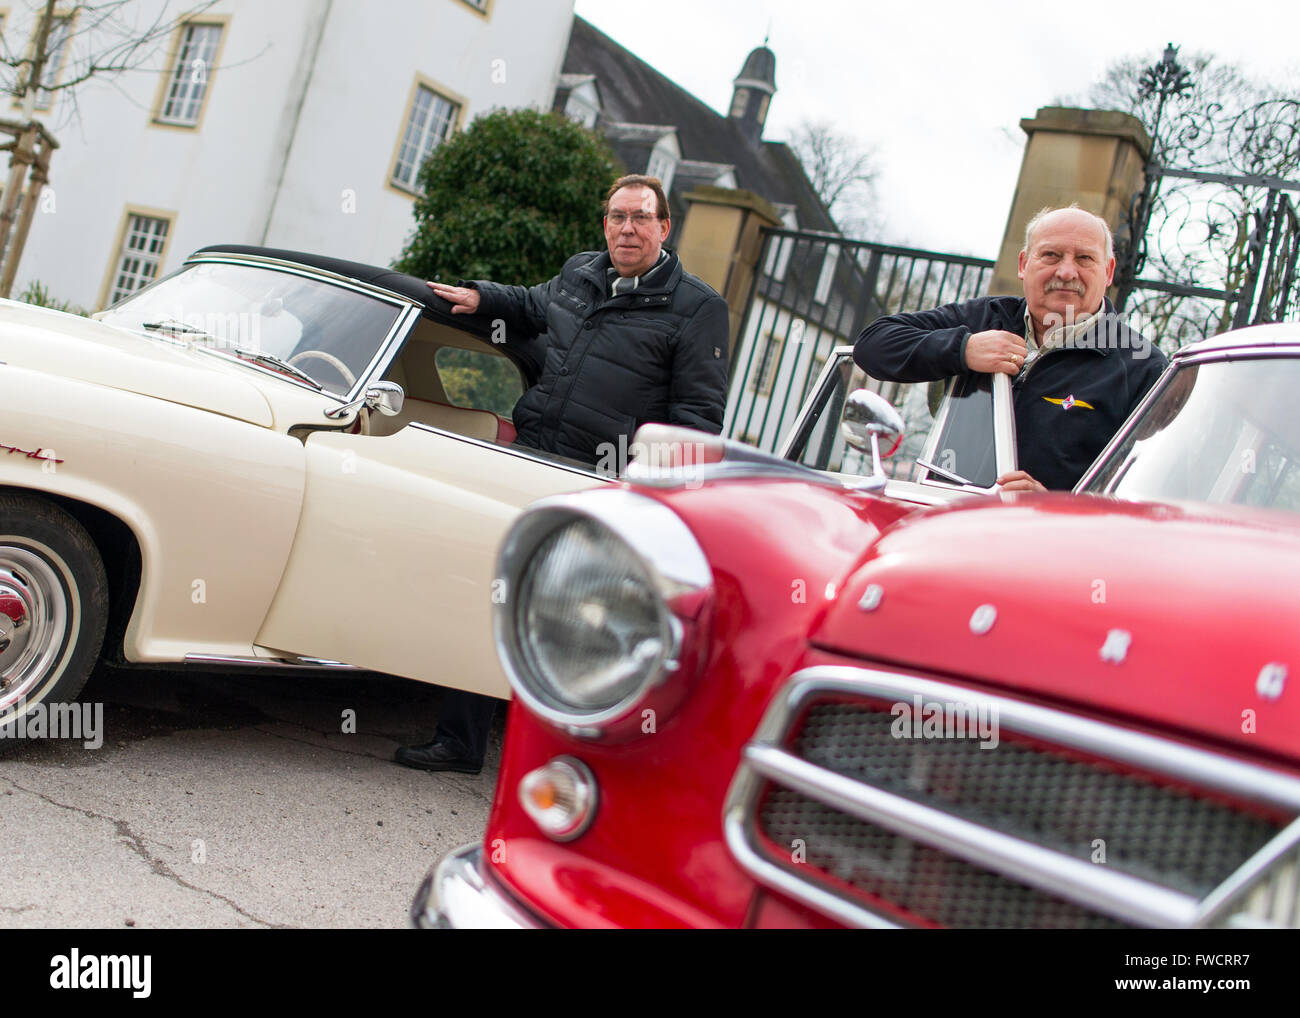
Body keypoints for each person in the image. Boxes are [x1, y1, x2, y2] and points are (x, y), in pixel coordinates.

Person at [394, 173, 730, 773]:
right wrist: (482, 298)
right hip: (532, 456)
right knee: (498, 588)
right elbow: (533, 303)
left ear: (664, 227)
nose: (627, 229)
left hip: (602, 481)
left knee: (568, 617)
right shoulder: (581, 272)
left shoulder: (697, 308)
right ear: (606, 223)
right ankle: (460, 742)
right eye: (618, 217)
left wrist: (655, 491)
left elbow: (698, 416)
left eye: (640, 218)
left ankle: (557, 762)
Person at [855, 205, 1168, 492]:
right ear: (1023, 264)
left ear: (1109, 271)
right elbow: (872, 344)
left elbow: (1151, 492)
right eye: (1051, 255)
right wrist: (963, 349)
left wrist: (1053, 504)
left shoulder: (1144, 368)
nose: (1066, 272)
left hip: (1045, 535)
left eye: (1084, 258)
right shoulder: (985, 318)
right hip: (945, 515)